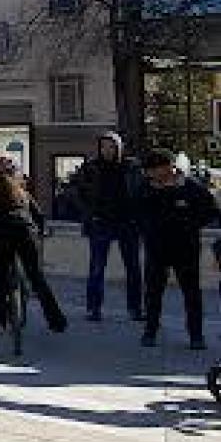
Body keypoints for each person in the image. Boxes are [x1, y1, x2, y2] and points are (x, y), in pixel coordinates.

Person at [0, 157, 68, 334]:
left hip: (2, 238)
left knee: (0, 279)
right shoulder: (22, 192)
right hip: (26, 235)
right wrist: (43, 231)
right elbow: (39, 216)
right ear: (14, 173)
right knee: (37, 279)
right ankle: (56, 321)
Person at [136, 149, 217, 350]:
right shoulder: (145, 189)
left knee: (191, 293)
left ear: (167, 168)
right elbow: (136, 212)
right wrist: (146, 229)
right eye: (148, 170)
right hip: (156, 248)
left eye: (153, 169)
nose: (150, 174)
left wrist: (190, 225)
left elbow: (210, 211)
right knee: (153, 292)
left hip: (185, 248)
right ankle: (150, 331)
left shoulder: (191, 188)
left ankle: (196, 335)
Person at [70, 132, 144, 322]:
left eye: (111, 147)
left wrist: (138, 217)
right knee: (97, 267)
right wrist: (89, 214)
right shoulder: (91, 167)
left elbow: (141, 192)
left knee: (133, 268)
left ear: (119, 148)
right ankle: (93, 308)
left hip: (127, 222)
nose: (107, 150)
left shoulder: (131, 167)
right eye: (103, 146)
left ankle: (135, 308)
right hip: (101, 222)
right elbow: (76, 192)